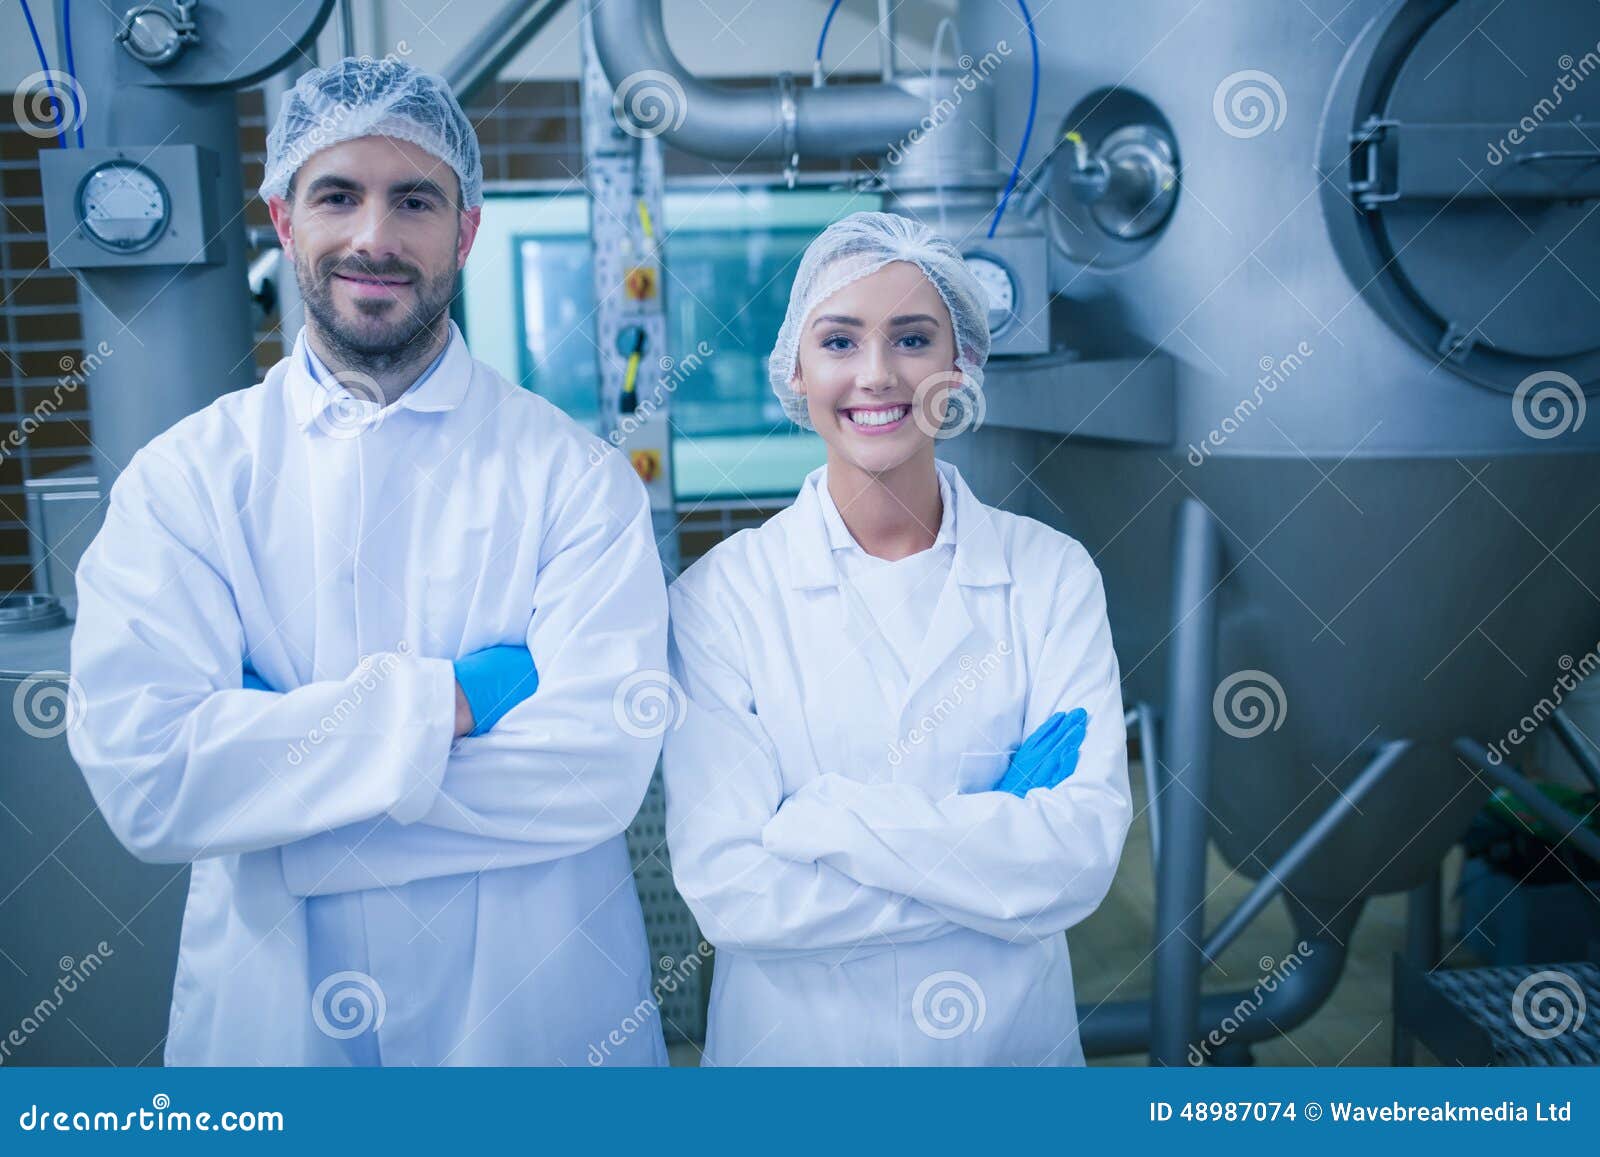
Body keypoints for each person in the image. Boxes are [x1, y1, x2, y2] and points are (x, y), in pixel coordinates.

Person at [66, 58, 668, 1066]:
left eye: (415, 200)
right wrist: (448, 706)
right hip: (274, 1024)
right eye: (338, 195)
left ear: (465, 230)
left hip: (534, 1019)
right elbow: (148, 776)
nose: (375, 237)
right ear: (282, 217)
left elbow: (596, 770)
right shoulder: (186, 482)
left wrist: (275, 786)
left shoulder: (576, 480)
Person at [662, 211, 1132, 1066]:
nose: (877, 375)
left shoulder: (1051, 576)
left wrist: (827, 821)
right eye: (839, 341)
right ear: (796, 373)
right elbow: (734, 892)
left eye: (912, 338)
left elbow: (1082, 857)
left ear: (960, 368)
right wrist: (995, 875)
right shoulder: (721, 599)